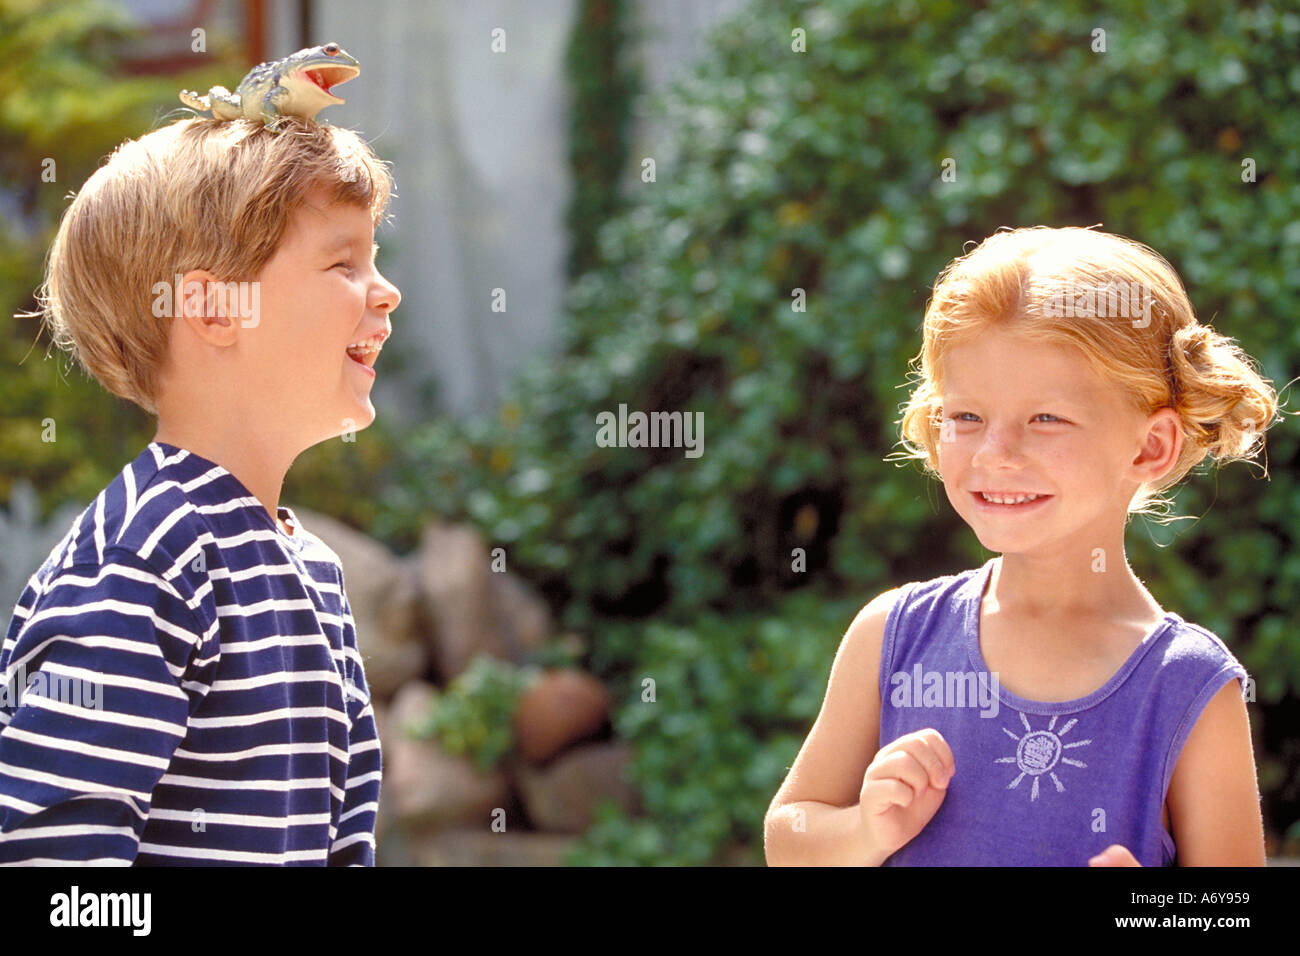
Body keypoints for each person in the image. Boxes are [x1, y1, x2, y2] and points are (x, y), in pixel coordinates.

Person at [764, 225, 1277, 866]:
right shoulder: (894, 636)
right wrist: (866, 830)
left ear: (1151, 446)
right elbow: (789, 838)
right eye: (967, 417)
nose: (994, 455)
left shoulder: (1188, 689)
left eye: (1046, 419)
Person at [0, 113, 401, 864]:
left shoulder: (313, 569)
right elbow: (53, 862)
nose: (386, 292)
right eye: (344, 265)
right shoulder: (144, 553)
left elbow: (346, 844)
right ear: (216, 308)